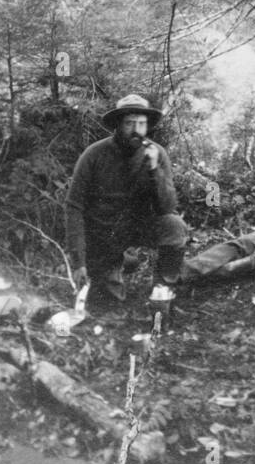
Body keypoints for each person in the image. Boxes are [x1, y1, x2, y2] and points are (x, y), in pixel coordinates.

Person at [65, 94, 189, 314]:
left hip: (140, 225)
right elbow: (74, 207)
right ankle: (120, 264)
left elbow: (167, 207)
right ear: (118, 125)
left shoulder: (156, 153)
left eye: (141, 124)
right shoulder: (94, 154)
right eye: (130, 123)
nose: (136, 130)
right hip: (104, 233)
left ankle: (162, 289)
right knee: (108, 303)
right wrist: (79, 262)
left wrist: (154, 171)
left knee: (174, 226)